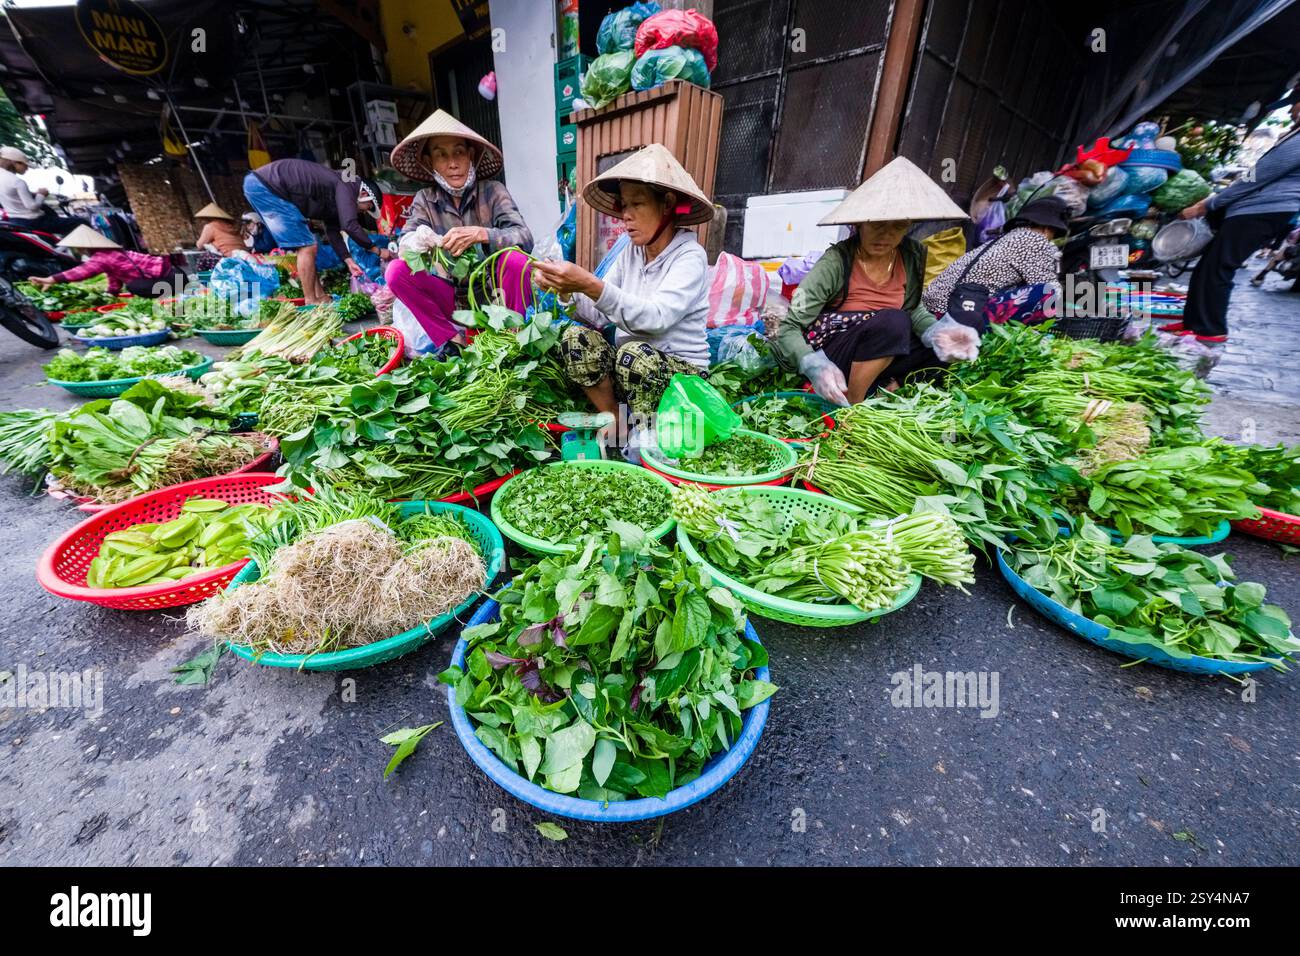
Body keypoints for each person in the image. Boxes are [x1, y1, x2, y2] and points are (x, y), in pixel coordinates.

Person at [531, 143, 712, 433]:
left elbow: (655, 318)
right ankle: (618, 419)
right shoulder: (631, 251)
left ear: (667, 204)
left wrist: (589, 282)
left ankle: (648, 437)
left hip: (680, 378)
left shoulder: (690, 256)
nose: (625, 214)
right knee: (575, 339)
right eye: (624, 205)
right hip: (634, 367)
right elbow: (599, 315)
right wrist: (566, 290)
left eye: (637, 204)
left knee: (633, 356)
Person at [771, 156, 973, 405]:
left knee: (949, 339)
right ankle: (852, 407)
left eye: (897, 226)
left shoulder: (911, 255)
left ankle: (887, 388)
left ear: (908, 225)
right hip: (835, 353)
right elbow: (789, 327)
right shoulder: (836, 263)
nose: (886, 235)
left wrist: (936, 332)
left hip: (882, 348)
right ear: (858, 224)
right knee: (894, 321)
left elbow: (913, 310)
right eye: (876, 225)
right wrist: (812, 363)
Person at [385, 110, 534, 350]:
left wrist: (481, 234)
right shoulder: (425, 199)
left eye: (459, 152)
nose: (452, 163)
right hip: (451, 300)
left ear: (471, 156)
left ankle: (514, 339)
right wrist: (419, 241)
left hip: (495, 294)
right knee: (396, 272)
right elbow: (405, 245)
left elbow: (524, 237)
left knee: (516, 260)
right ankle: (452, 342)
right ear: (428, 162)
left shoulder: (493, 191)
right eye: (441, 155)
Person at [1166, 94, 1300, 342]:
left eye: (1295, 103)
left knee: (1220, 267)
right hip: (1256, 209)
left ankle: (1210, 328)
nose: (1292, 110)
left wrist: (1207, 205)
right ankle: (1193, 322)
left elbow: (1255, 176)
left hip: (1262, 211)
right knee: (1209, 265)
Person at [242, 158, 388, 304]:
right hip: (267, 186)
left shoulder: (336, 192)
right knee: (307, 246)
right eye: (367, 207)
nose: (363, 212)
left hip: (259, 186)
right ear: (363, 194)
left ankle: (319, 297)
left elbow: (332, 231)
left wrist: (348, 260)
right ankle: (311, 301)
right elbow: (349, 224)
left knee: (308, 245)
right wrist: (378, 250)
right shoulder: (347, 185)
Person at [922, 195, 1067, 326]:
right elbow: (1047, 286)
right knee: (1048, 292)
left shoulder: (1009, 237)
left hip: (933, 309)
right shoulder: (1034, 240)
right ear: (1046, 229)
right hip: (955, 312)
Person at [25, 224, 178, 297]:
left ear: (82, 247)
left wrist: (52, 279)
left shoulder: (102, 257)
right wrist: (112, 294)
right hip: (176, 276)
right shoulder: (110, 254)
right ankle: (170, 295)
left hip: (172, 281)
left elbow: (82, 272)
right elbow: (114, 277)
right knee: (133, 284)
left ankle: (167, 297)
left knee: (135, 287)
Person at [0, 146, 80, 235]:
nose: (27, 168)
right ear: (14, 163)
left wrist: (32, 194)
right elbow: (32, 206)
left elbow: (10, 196)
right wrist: (41, 194)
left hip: (15, 220)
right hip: (34, 221)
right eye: (25, 165)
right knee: (80, 222)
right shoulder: (17, 181)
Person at [192, 203, 245, 269]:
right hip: (242, 255)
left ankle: (203, 277)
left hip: (227, 257)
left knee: (204, 258)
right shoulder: (231, 226)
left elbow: (199, 245)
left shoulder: (210, 226)